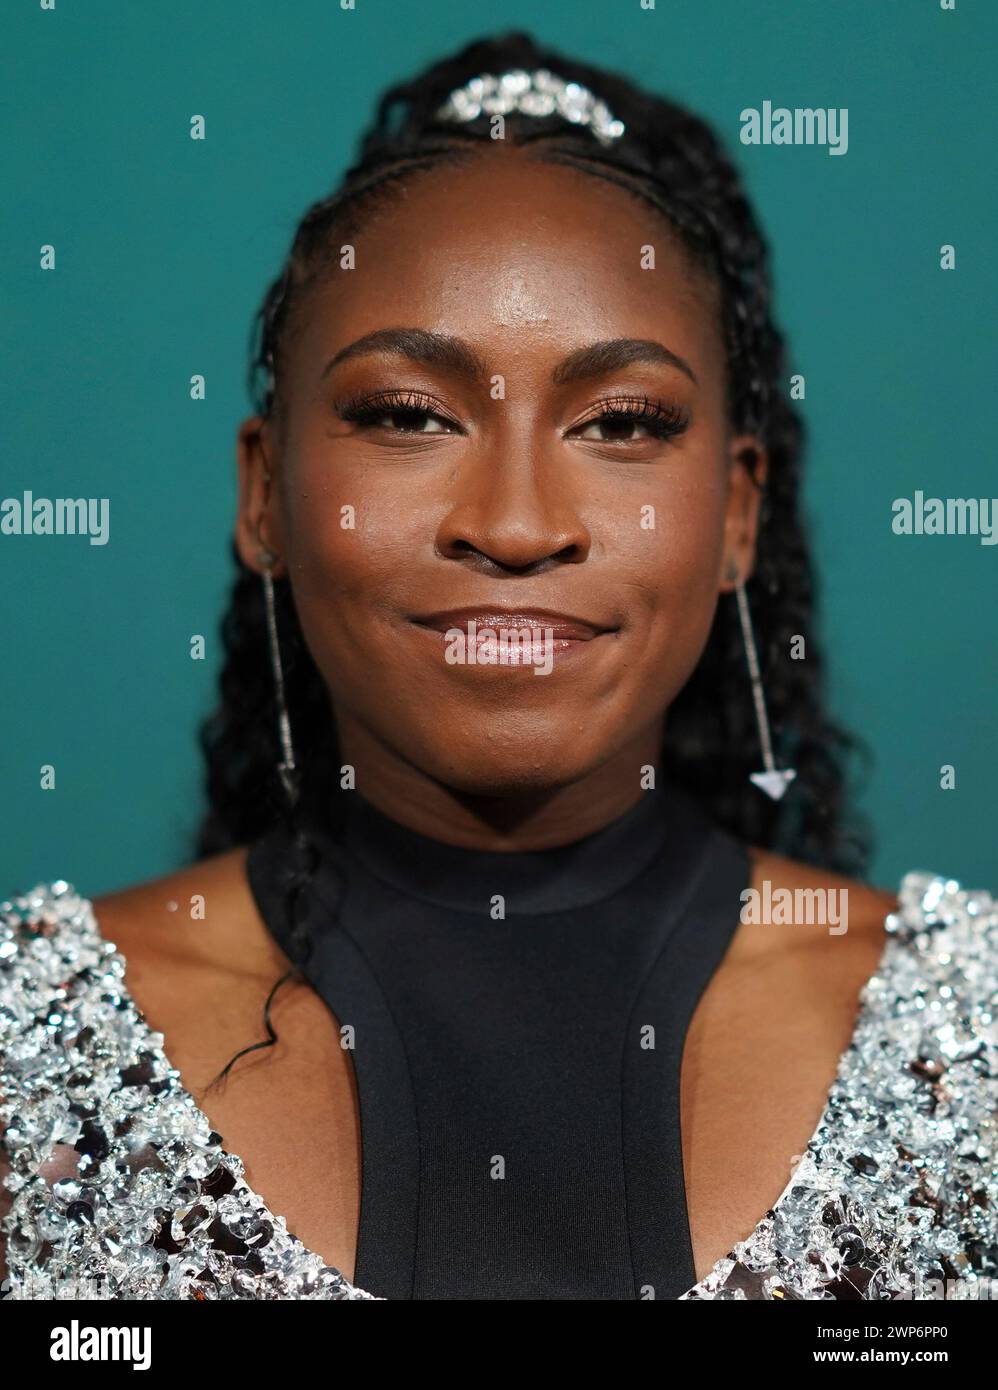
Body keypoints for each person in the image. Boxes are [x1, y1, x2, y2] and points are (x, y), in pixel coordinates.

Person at [2, 30, 995, 1303]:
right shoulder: (26, 1056)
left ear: (736, 515)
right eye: (409, 414)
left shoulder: (961, 1051)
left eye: (621, 423)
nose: (516, 522)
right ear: (264, 495)